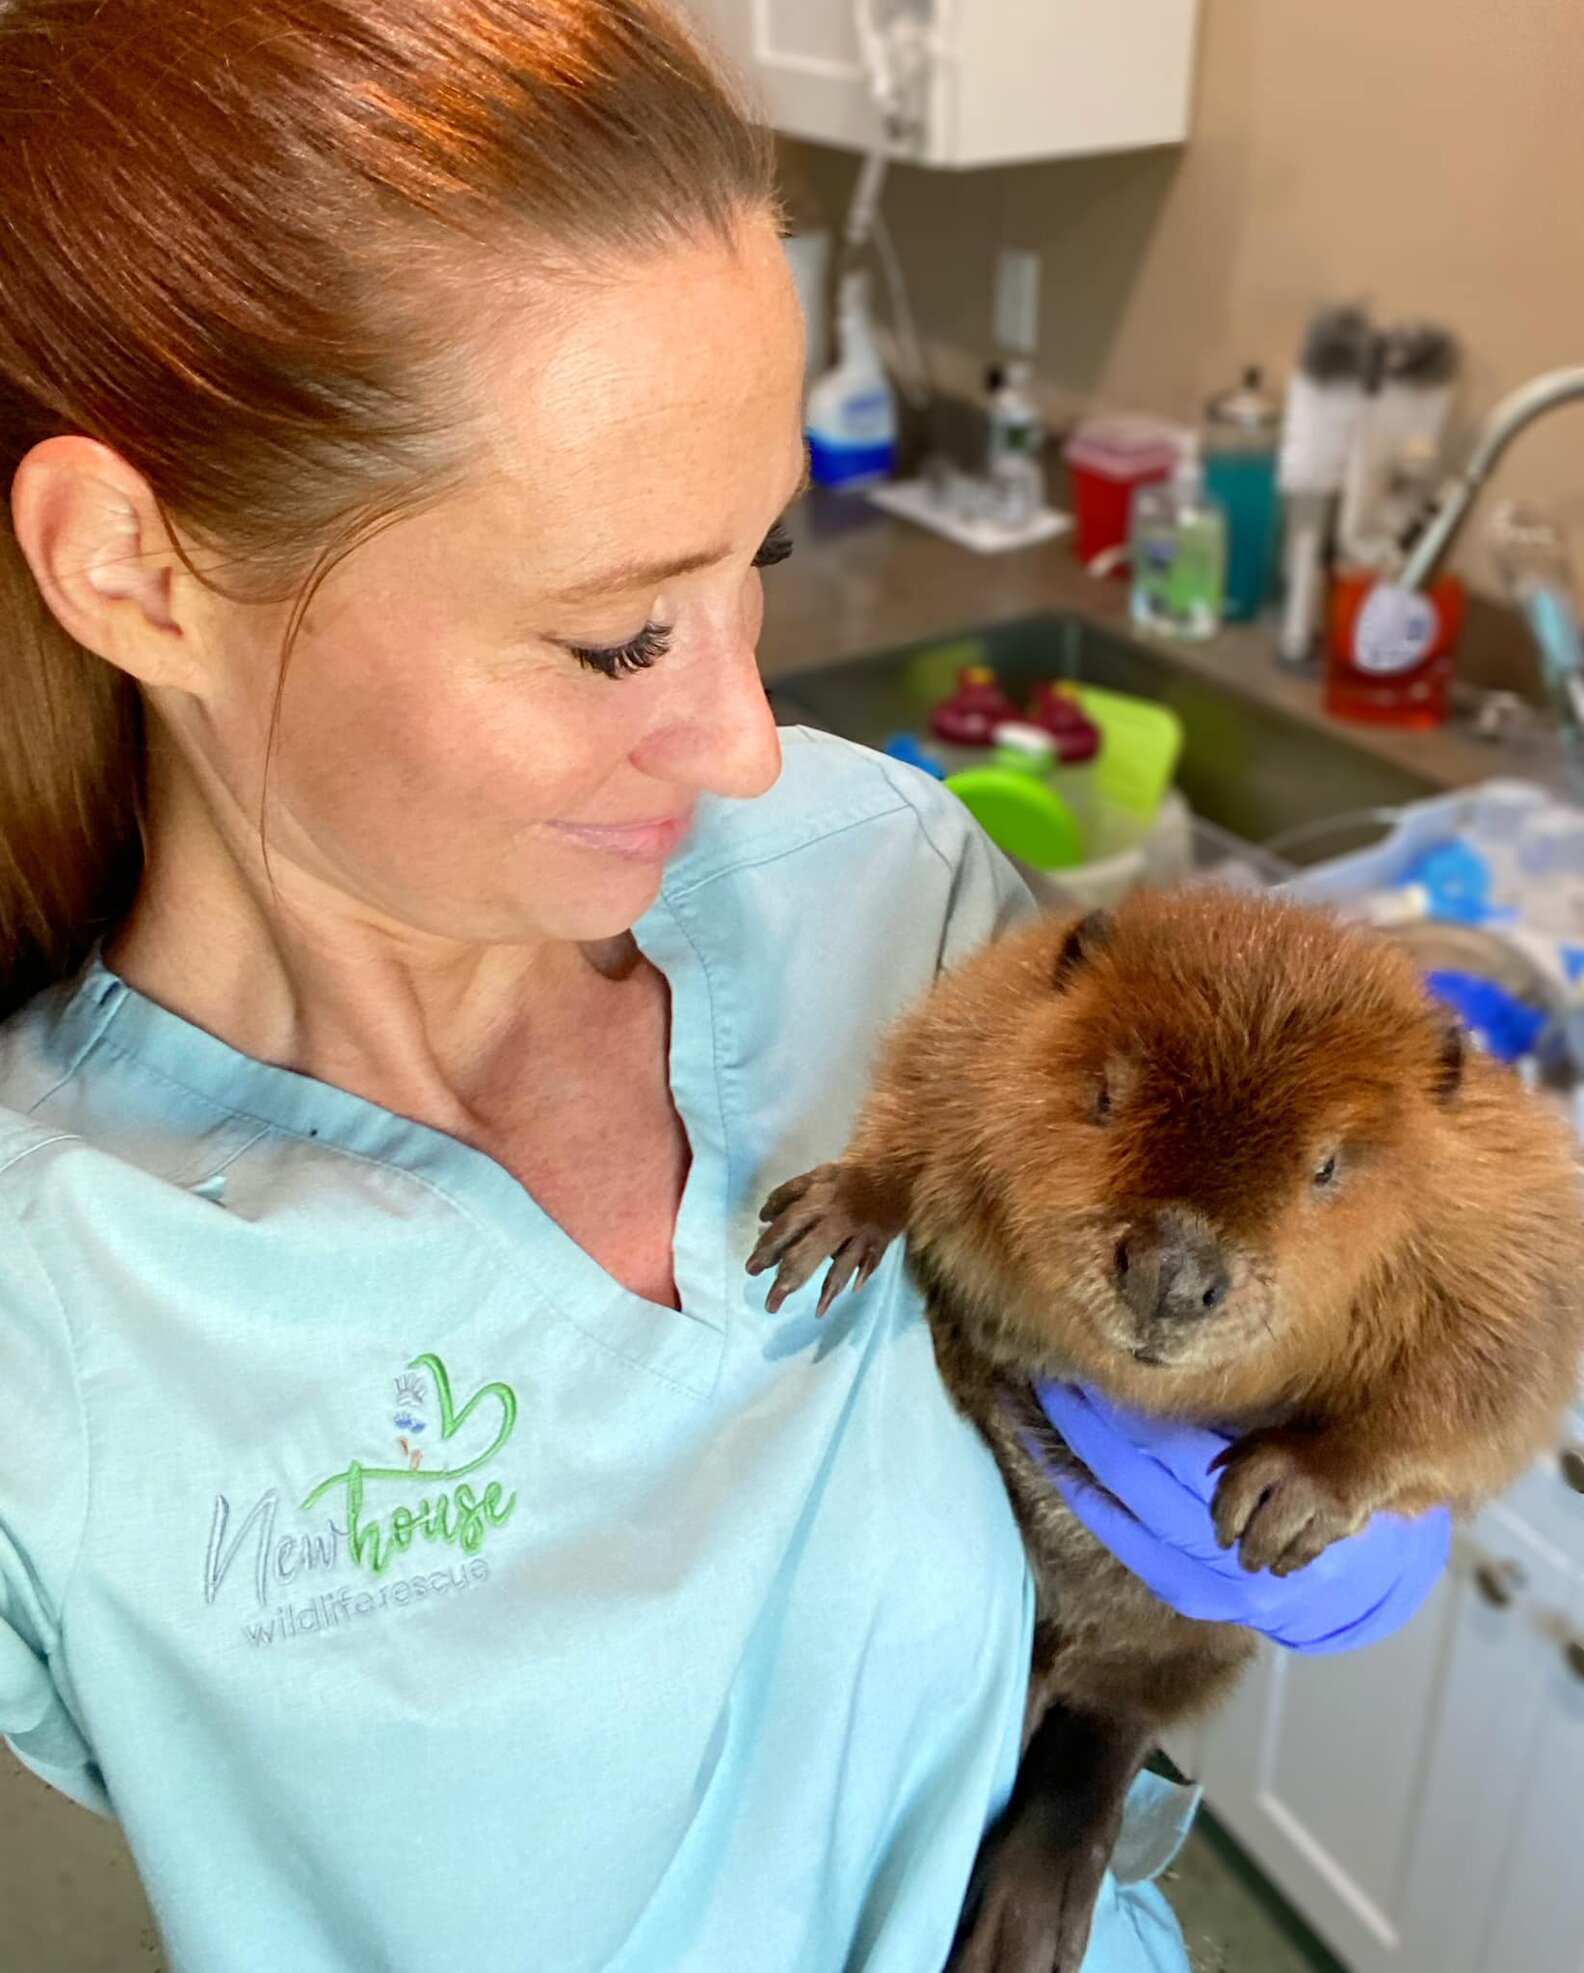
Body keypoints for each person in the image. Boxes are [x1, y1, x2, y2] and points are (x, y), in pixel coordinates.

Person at [0, 3, 1444, 1969]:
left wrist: (1358, 1447)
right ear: (136, 573)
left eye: (756, 557)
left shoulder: (888, 888)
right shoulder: (50, 1317)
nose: (753, 744)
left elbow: (1145, 1486)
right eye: (615, 638)